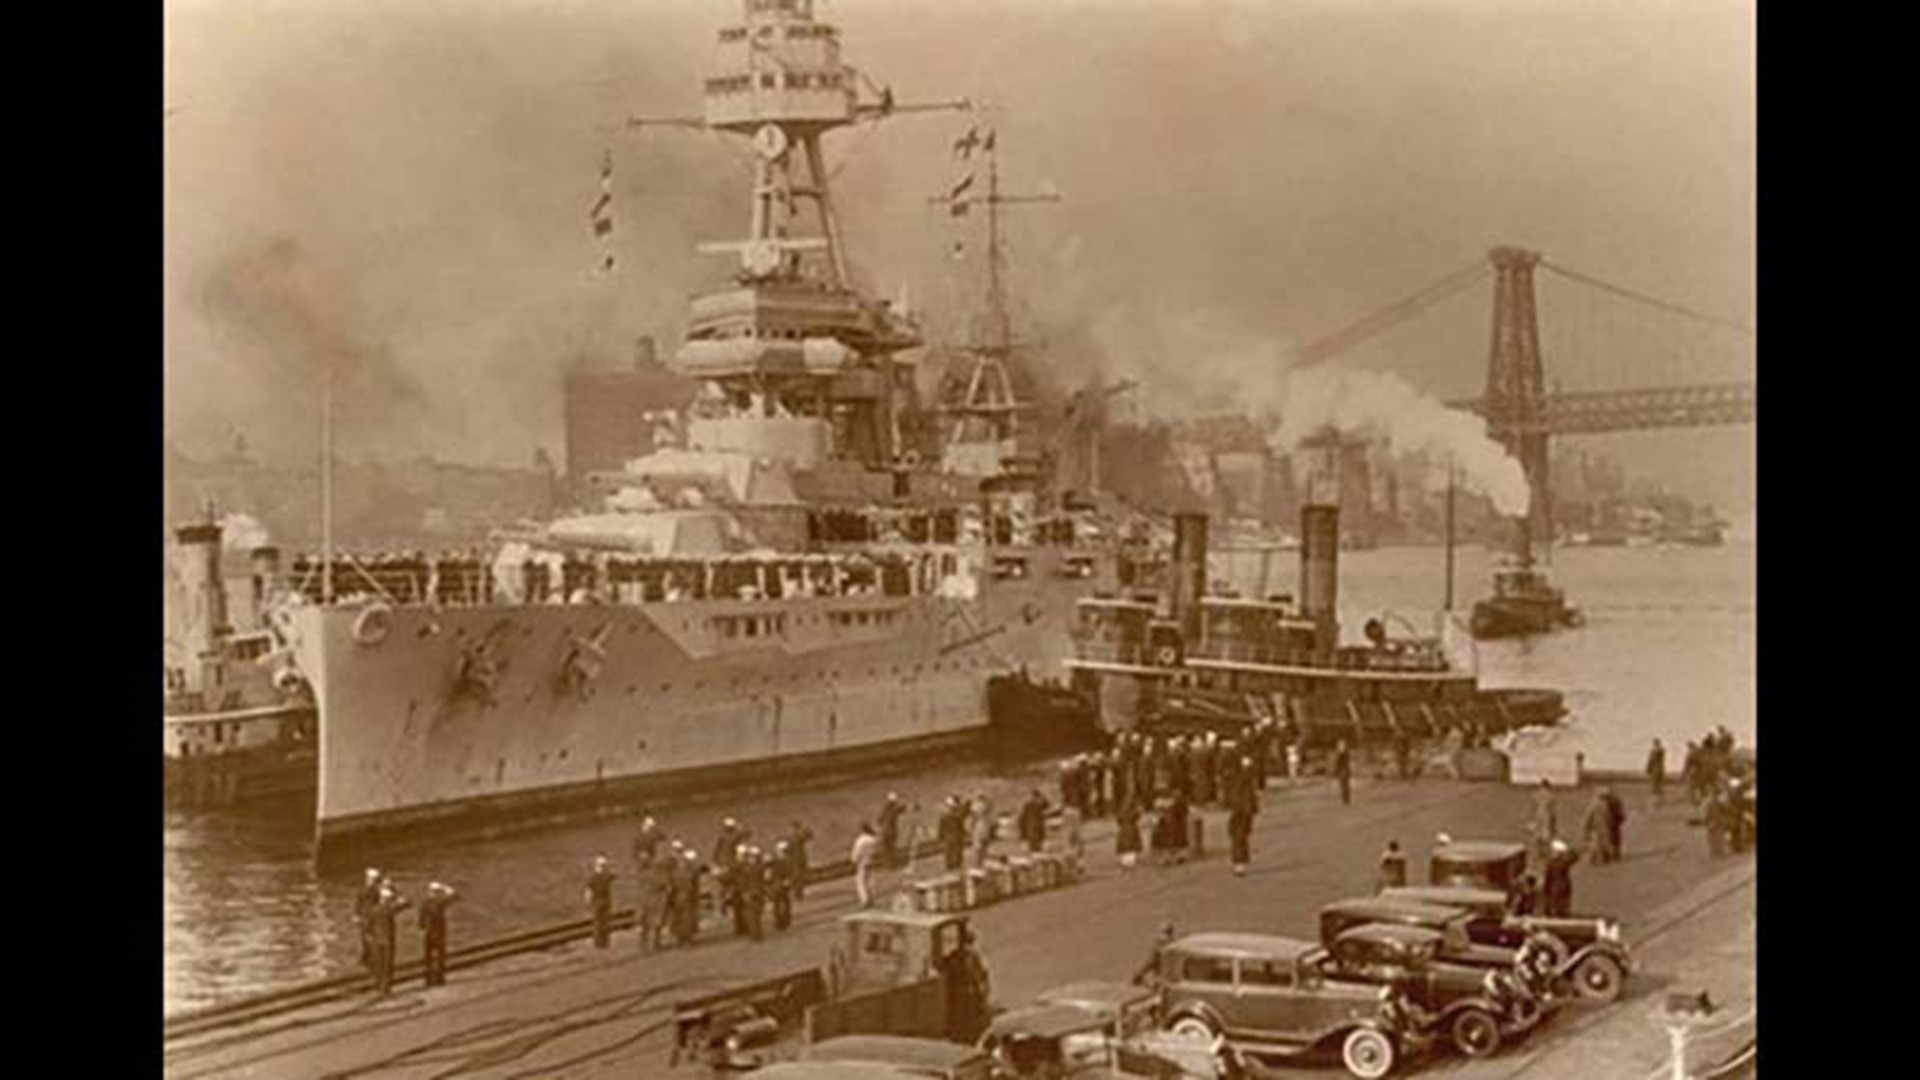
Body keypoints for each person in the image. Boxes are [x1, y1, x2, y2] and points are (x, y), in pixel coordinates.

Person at [370, 881, 410, 996]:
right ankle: (386, 989)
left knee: (379, 964)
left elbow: (368, 925)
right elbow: (407, 902)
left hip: (377, 940)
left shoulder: (374, 910)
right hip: (387, 940)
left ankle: (379, 986)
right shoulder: (389, 909)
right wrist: (394, 890)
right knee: (387, 965)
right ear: (387, 899)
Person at [416, 882, 458, 988]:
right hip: (438, 932)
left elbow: (421, 919)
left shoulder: (425, 903)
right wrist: (445, 888)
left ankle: (428, 979)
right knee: (439, 956)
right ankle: (439, 978)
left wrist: (422, 929)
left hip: (429, 932)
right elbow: (455, 895)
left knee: (428, 957)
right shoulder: (440, 902)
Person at [637, 848, 672, 951]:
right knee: (654, 922)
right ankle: (653, 943)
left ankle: (647, 943)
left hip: (647, 899)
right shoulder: (654, 873)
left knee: (648, 923)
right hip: (653, 899)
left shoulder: (643, 873)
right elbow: (665, 885)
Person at [355, 868, 384, 971]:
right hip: (366, 918)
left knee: (371, 938)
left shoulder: (376, 891)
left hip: (371, 918)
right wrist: (357, 915)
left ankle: (370, 959)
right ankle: (367, 958)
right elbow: (358, 903)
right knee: (366, 938)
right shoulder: (365, 891)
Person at [586, 855, 617, 949]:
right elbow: (614, 876)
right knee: (605, 922)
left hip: (597, 901)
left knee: (597, 922)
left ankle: (598, 943)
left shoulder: (593, 877)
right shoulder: (606, 876)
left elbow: (588, 890)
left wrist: (588, 901)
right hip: (605, 901)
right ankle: (604, 942)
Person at [1543, 840, 1578, 917]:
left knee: (1558, 903)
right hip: (1559, 886)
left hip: (1557, 886)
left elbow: (1574, 857)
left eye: (1554, 852)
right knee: (1558, 903)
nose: (1552, 853)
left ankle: (1557, 912)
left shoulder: (1556, 863)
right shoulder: (1558, 862)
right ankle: (1558, 912)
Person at [851, 823, 881, 908]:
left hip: (862, 861)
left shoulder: (860, 840)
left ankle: (865, 900)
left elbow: (856, 852)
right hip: (871, 860)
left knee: (860, 881)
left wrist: (854, 860)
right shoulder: (873, 839)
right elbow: (877, 850)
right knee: (870, 880)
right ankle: (871, 897)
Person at [769, 841, 796, 931]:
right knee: (780, 903)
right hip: (779, 884)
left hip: (781, 884)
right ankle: (781, 921)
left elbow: (790, 873)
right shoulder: (782, 860)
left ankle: (783, 921)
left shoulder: (784, 861)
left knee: (782, 903)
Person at [785, 820, 814, 900]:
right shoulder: (793, 838)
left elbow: (810, 836)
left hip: (798, 859)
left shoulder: (794, 837)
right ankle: (798, 893)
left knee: (799, 876)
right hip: (796, 860)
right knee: (797, 876)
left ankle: (798, 892)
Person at [938, 797, 968, 872]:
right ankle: (956, 864)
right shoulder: (956, 813)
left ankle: (949, 865)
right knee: (957, 850)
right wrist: (966, 805)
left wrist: (940, 835)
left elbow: (941, 826)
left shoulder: (944, 814)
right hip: (957, 834)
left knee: (949, 850)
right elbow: (963, 815)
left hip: (947, 835)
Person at [1116, 792, 1143, 870]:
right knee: (1131, 843)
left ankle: (1125, 861)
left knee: (1125, 844)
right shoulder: (1133, 810)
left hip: (1123, 829)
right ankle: (1130, 861)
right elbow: (1136, 816)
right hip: (1131, 827)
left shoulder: (1121, 810)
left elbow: (1118, 820)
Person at [879, 793, 907, 867]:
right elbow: (902, 809)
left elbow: (879, 820)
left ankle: (887, 864)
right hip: (891, 831)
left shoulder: (884, 810)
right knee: (891, 847)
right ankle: (892, 864)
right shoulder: (894, 809)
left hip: (884, 831)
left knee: (886, 849)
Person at [1018, 789, 1049, 854]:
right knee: (1033, 851)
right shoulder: (1029, 806)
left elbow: (1047, 805)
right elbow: (1022, 821)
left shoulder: (1035, 806)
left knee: (1035, 851)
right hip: (1032, 832)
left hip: (1035, 832)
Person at [1602, 786, 1627, 862]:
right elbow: (1621, 811)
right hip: (1615, 822)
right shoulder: (1616, 800)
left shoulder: (1603, 802)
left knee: (1609, 838)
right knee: (1615, 839)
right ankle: (1615, 854)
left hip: (1609, 822)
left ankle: (1609, 854)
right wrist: (1621, 819)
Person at [1646, 739, 1668, 805]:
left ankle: (1656, 802)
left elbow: (1651, 761)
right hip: (1660, 770)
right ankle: (1661, 801)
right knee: (1660, 786)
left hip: (1655, 770)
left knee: (1655, 786)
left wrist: (1648, 769)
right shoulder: (1662, 751)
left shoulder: (1653, 751)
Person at [1333, 740, 1353, 806]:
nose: (1339, 747)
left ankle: (1346, 800)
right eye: (1339, 745)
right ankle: (1346, 799)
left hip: (1344, 771)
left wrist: (1337, 770)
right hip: (1343, 771)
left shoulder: (1343, 754)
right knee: (1344, 785)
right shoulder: (1342, 753)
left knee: (1344, 785)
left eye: (1340, 745)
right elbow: (1337, 763)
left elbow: (1341, 763)